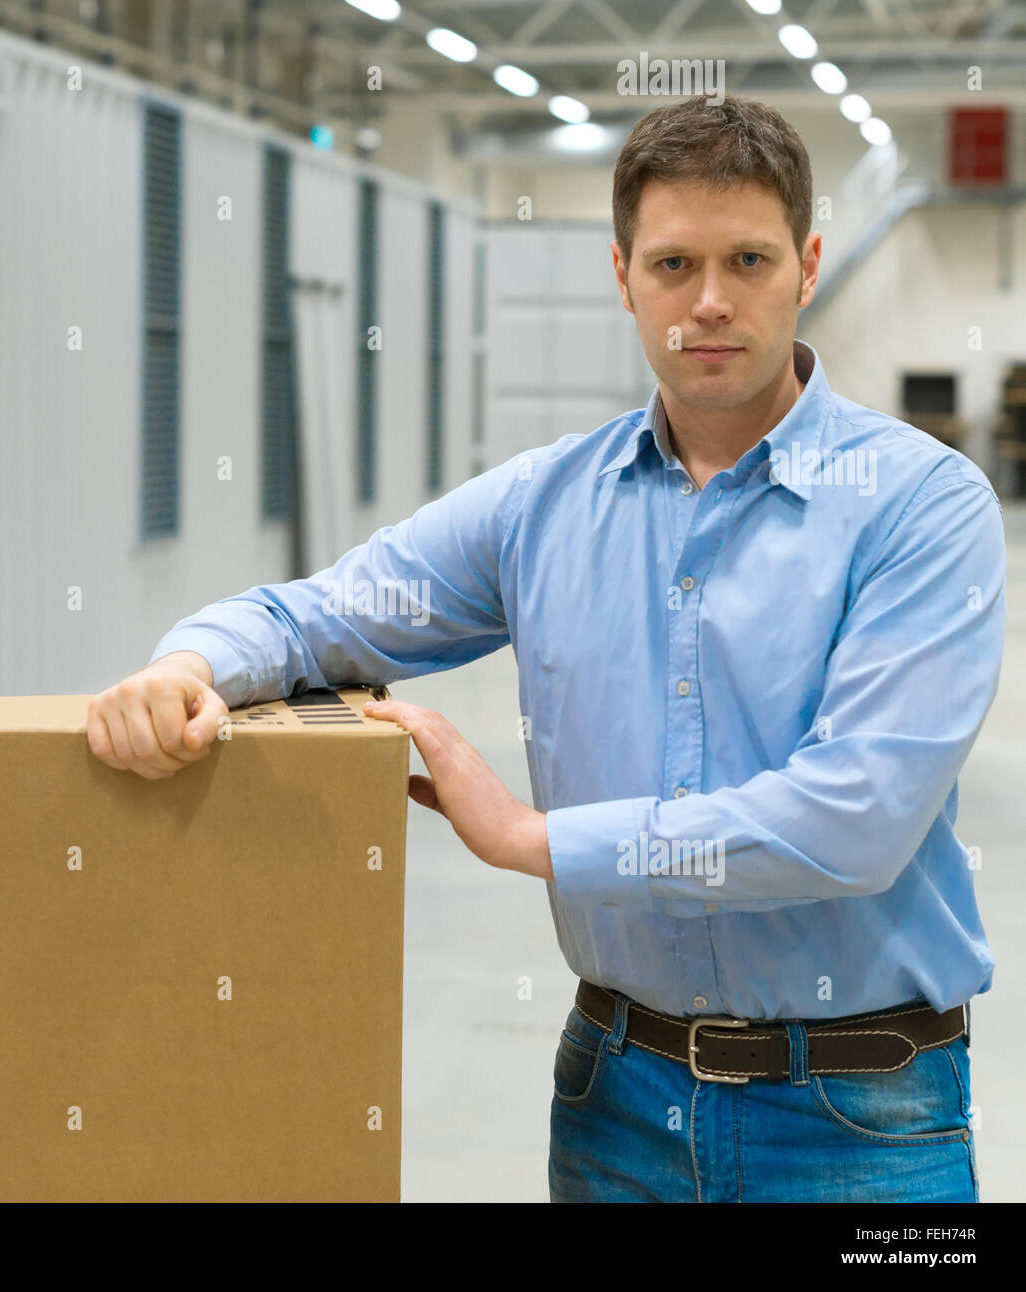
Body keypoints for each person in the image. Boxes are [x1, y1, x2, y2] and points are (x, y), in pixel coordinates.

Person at [87, 95, 1004, 1203]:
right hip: (616, 1100)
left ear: (806, 266)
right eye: (672, 264)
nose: (708, 302)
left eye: (747, 259)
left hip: (859, 1119)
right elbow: (312, 614)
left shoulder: (918, 504)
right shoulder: (544, 505)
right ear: (621, 274)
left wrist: (535, 837)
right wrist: (183, 667)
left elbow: (852, 817)